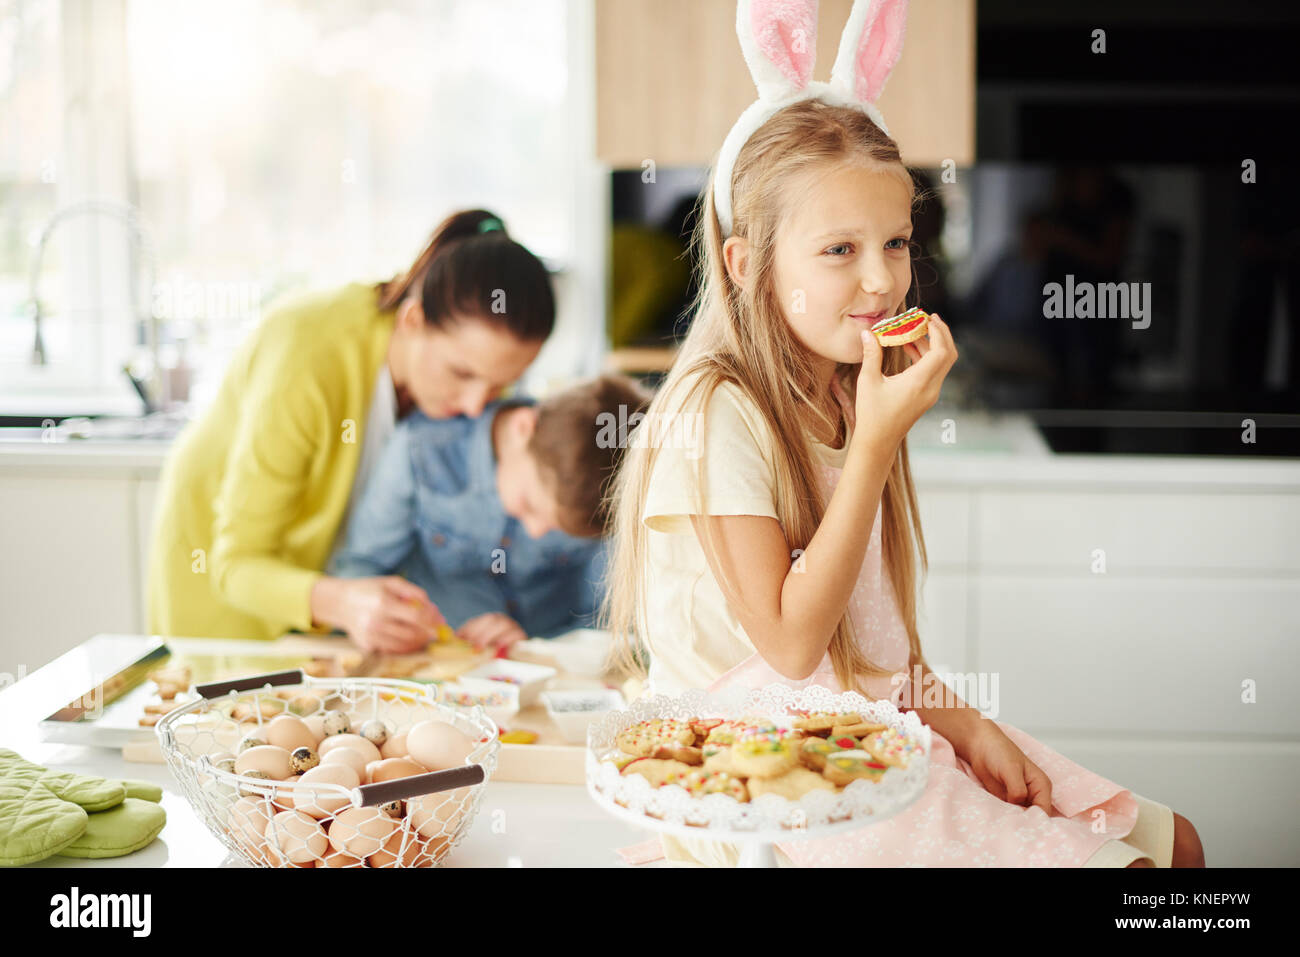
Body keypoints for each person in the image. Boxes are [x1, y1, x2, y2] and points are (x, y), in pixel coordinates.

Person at [600, 1, 1203, 869]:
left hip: (861, 720)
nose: (882, 278)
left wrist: (963, 720)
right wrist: (878, 443)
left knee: (1174, 846)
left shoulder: (847, 393)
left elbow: (875, 642)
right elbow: (793, 643)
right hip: (754, 764)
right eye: (838, 250)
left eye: (896, 241)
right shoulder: (715, 412)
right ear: (746, 263)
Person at [147, 209, 555, 652]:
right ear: (412, 322)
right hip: (224, 577)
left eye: (499, 385)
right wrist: (342, 602)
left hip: (330, 603)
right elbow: (237, 566)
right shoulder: (308, 354)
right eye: (461, 373)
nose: (477, 406)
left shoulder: (466, 394)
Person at [328, 374, 652, 652]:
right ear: (523, 428)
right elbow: (359, 570)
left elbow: (608, 625)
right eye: (531, 504)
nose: (538, 531)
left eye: (559, 529)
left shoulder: (612, 487)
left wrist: (536, 648)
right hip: (439, 669)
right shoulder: (420, 451)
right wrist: (387, 617)